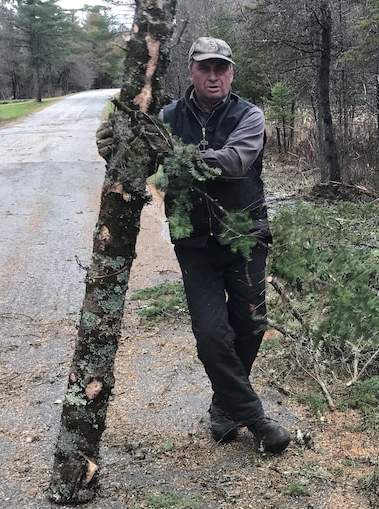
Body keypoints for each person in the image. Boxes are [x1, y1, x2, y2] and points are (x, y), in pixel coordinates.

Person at [99, 37, 290, 454]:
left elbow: (237, 161)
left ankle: (224, 405)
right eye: (205, 67)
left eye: (221, 68)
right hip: (194, 242)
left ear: (231, 73)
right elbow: (140, 161)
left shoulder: (249, 115)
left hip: (245, 236)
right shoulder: (167, 116)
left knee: (249, 325)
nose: (213, 75)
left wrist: (182, 158)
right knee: (210, 333)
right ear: (191, 71)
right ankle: (254, 419)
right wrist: (116, 146)